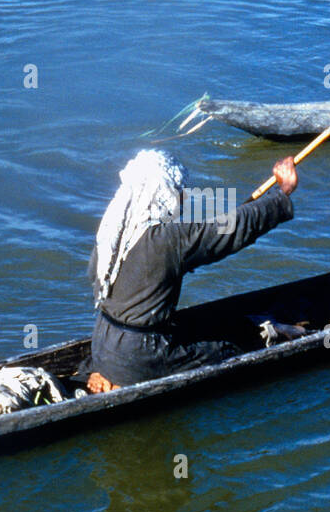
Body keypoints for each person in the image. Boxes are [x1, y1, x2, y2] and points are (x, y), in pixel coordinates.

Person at [85, 149, 297, 392]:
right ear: (163, 193)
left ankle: (109, 372)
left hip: (102, 344)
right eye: (180, 192)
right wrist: (283, 194)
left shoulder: (113, 233)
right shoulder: (167, 239)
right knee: (231, 348)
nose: (183, 199)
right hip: (140, 356)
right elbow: (234, 229)